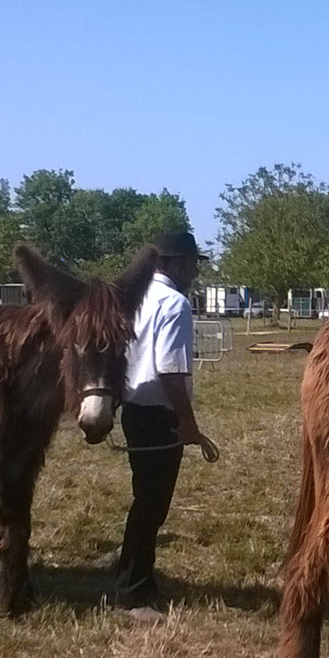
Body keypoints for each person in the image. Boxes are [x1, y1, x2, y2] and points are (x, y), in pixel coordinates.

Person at [113, 230, 208, 613]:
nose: (194, 272)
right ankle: (131, 590)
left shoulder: (134, 299)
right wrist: (188, 421)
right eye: (191, 264)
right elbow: (171, 370)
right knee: (151, 506)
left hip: (133, 409)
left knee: (145, 500)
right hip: (159, 413)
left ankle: (140, 577)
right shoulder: (174, 303)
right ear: (172, 263)